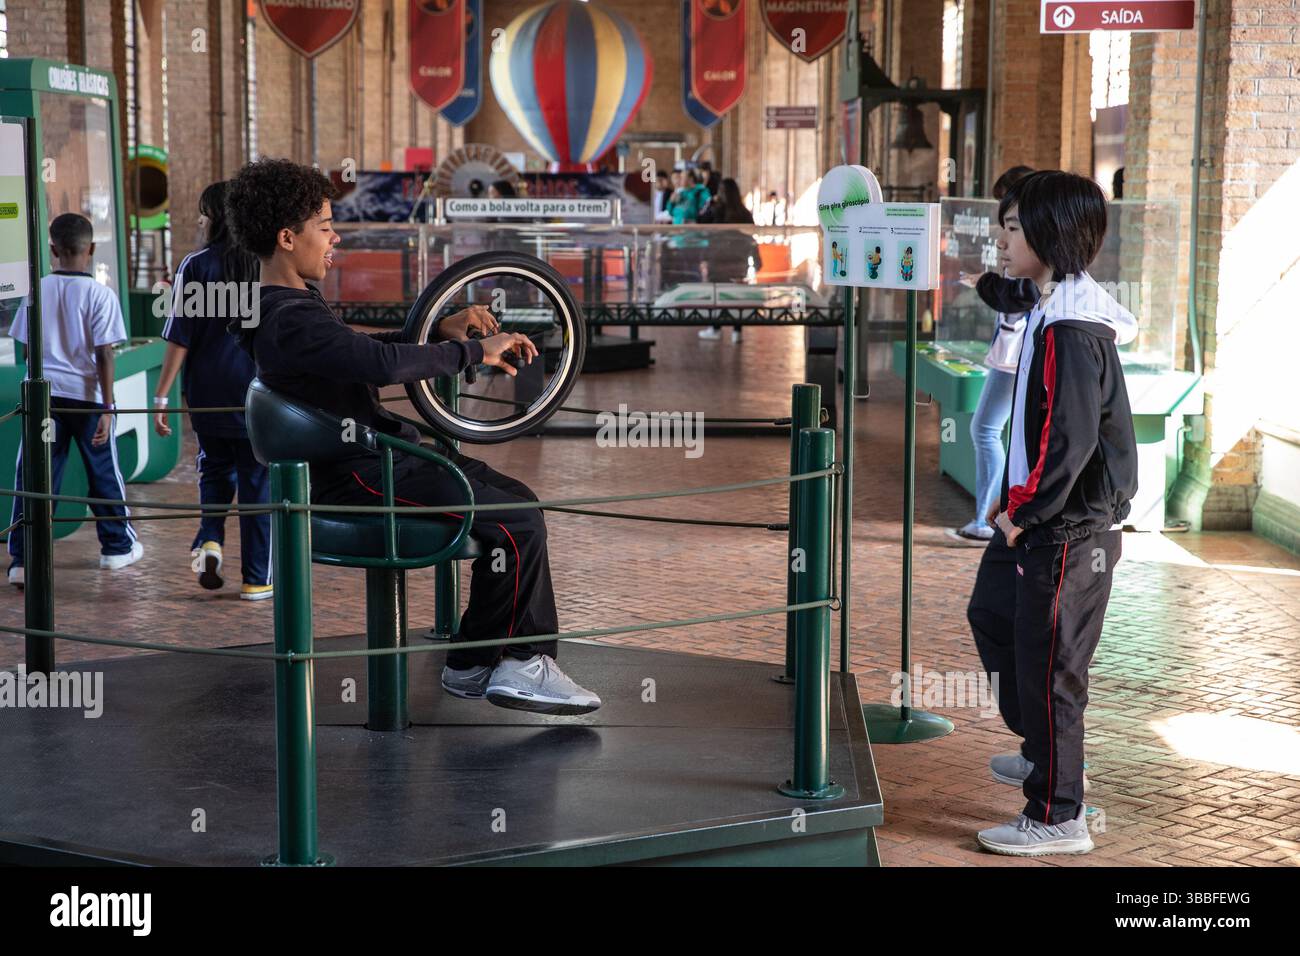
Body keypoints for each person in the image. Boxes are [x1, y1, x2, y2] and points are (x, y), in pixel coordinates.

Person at [225, 158, 600, 716]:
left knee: (518, 500)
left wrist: (436, 329)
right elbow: (375, 363)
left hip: (369, 461)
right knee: (517, 519)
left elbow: (351, 351)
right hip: (358, 475)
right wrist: (474, 351)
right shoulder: (287, 317)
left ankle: (473, 663)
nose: (335, 237)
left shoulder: (283, 308)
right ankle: (522, 661)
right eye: (325, 226)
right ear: (287, 237)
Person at [966, 170, 1138, 856]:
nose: (1001, 239)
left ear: (1049, 236)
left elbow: (1068, 440)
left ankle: (1057, 814)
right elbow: (1002, 289)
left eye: (1012, 228)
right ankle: (1045, 752)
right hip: (1041, 522)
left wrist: (1025, 512)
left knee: (1050, 673)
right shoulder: (1051, 300)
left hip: (1064, 528)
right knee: (992, 614)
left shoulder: (1072, 327)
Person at [7, 213, 141, 586]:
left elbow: (29, 349)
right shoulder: (100, 294)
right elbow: (105, 354)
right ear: (91, 249)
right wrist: (107, 406)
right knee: (103, 473)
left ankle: (22, 559)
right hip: (88, 399)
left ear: (53, 249)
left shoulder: (37, 290)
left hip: (45, 400)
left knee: (35, 475)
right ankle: (116, 548)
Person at [153, 181, 272, 600]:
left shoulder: (196, 265)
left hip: (207, 393)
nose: (198, 220)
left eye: (203, 212)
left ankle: (209, 540)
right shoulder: (266, 264)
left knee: (215, 468)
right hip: (260, 394)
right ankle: (257, 579)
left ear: (220, 218)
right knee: (259, 483)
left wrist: (161, 397)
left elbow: (179, 339)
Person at [946, 165, 1034, 546]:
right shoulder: (1023, 247)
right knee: (998, 432)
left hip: (1015, 358)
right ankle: (994, 515)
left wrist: (986, 283)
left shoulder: (1033, 247)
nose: (1003, 239)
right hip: (1013, 353)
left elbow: (1019, 295)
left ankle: (987, 517)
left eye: (1010, 225)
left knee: (985, 429)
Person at [697, 178, 756, 343]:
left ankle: (715, 328)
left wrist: (709, 202)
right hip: (739, 261)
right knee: (736, 296)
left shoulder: (717, 210)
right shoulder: (745, 213)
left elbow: (700, 220)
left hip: (718, 260)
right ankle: (737, 332)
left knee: (716, 294)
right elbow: (751, 237)